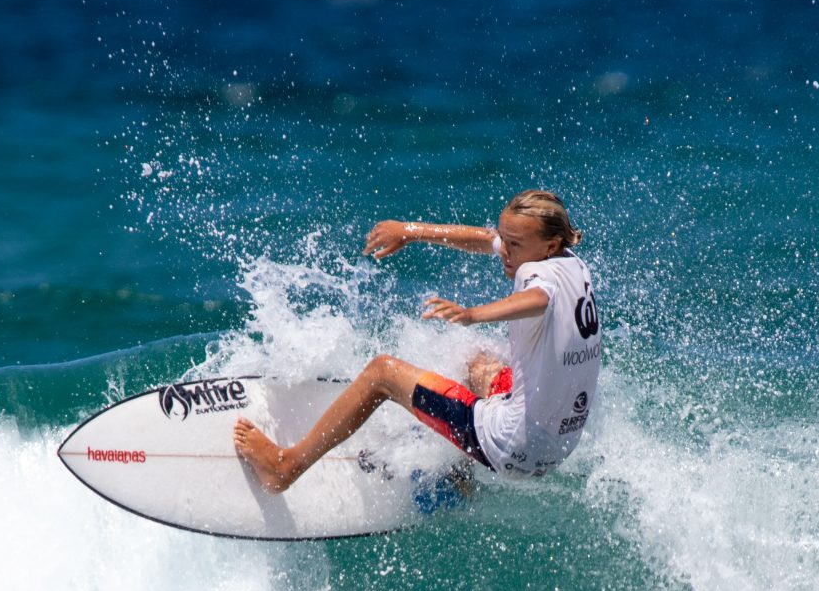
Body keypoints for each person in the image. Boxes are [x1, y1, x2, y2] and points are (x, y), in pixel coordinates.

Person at [232, 189, 601, 491]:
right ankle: (459, 476)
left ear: (550, 245)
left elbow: (537, 298)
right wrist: (410, 231)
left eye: (513, 245)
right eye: (504, 239)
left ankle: (286, 467)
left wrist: (473, 314)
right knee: (478, 364)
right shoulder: (570, 264)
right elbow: (486, 239)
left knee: (382, 373)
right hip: (558, 445)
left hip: (510, 444)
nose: (504, 250)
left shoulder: (536, 275)